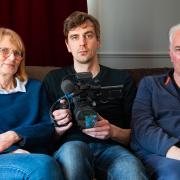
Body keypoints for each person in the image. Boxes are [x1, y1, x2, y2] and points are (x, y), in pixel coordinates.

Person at [43, 11, 148, 180]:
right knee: (72, 154)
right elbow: (42, 133)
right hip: (71, 147)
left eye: (88, 35)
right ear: (68, 45)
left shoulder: (122, 79)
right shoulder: (54, 79)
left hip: (112, 149)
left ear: (98, 41)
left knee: (132, 172)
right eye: (75, 37)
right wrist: (57, 128)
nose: (82, 43)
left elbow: (139, 135)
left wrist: (113, 131)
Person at [0, 27, 63, 179]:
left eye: (17, 53)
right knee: (43, 167)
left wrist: (15, 135)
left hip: (37, 157)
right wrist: (13, 151)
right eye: (4, 50)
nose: (12, 57)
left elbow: (48, 128)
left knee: (44, 165)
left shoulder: (35, 88)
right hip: (5, 158)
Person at [131, 23, 180, 180]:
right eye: (179, 50)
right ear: (170, 54)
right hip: (160, 154)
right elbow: (142, 128)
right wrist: (175, 151)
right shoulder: (150, 84)